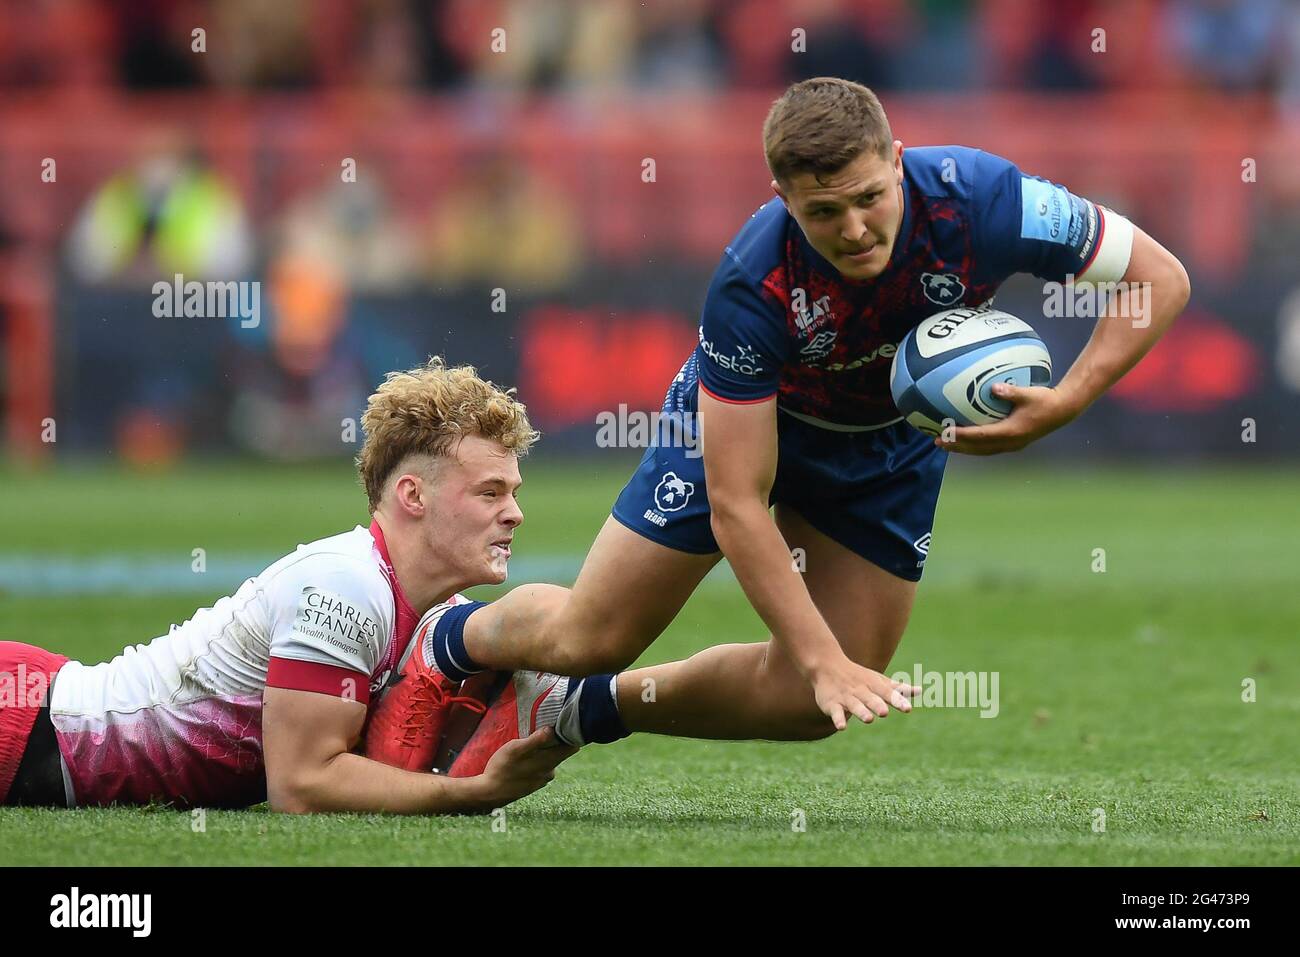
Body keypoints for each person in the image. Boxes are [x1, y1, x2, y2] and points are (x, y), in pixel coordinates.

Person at [366, 77, 1191, 768]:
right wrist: (819, 652)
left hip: (885, 451)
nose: (856, 228)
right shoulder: (751, 285)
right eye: (825, 212)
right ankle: (456, 640)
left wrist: (1071, 398)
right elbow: (737, 502)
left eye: (871, 197)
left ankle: (580, 712)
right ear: (784, 199)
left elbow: (1160, 275)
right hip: (749, 433)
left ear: (899, 163)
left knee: (813, 704)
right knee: (592, 632)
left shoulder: (986, 201)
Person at [0, 360, 575, 813]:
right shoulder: (345, 587)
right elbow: (300, 788)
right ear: (413, 496)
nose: (515, 514)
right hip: (28, 728)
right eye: (491, 492)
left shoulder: (425, 603)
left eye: (513, 492)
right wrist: (471, 793)